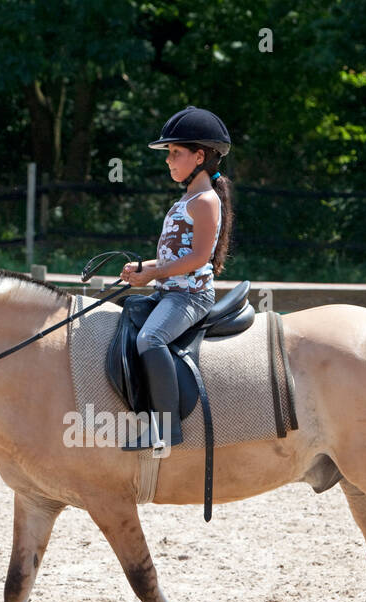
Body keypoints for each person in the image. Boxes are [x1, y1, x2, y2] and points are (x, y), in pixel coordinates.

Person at [119, 105, 235, 450]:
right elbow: (175, 253)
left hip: (190, 296)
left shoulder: (205, 201)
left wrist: (155, 271)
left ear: (199, 156)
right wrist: (146, 268)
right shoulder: (188, 197)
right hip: (168, 291)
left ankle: (166, 429)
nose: (168, 160)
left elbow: (199, 258)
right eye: (168, 154)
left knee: (150, 340)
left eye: (175, 153)